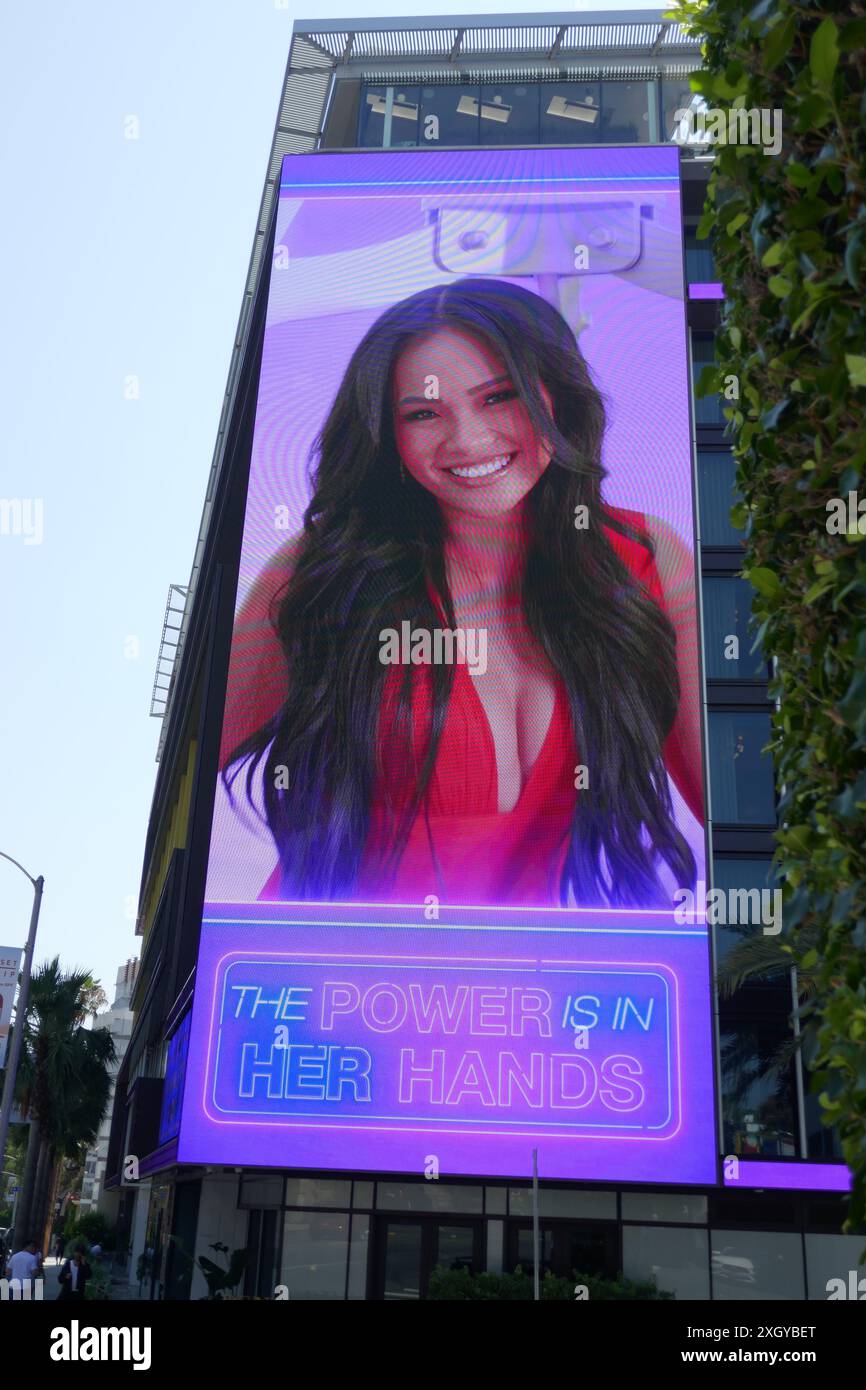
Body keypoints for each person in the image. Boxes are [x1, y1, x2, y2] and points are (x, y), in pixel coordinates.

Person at [221, 277, 703, 909]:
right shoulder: (323, 573)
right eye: (422, 413)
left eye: (500, 397)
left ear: (558, 398)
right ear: (388, 438)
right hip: (324, 984)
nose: (469, 439)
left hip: (523, 996)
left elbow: (737, 808)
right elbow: (194, 765)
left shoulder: (645, 560)